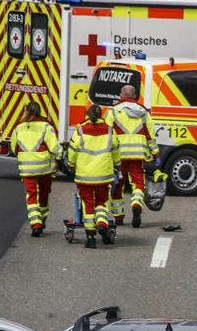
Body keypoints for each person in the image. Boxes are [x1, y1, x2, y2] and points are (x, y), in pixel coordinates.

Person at [66, 104, 121, 249]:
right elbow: (115, 149)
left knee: (88, 204)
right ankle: (102, 224)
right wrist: (118, 163)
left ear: (87, 114)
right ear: (101, 114)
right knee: (102, 202)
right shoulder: (109, 130)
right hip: (103, 174)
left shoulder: (80, 130)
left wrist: (70, 164)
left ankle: (90, 238)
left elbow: (73, 150)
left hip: (85, 175)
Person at [105, 84, 158, 228]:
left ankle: (119, 217)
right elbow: (151, 135)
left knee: (118, 185)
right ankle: (136, 205)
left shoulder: (113, 112)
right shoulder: (144, 112)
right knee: (138, 184)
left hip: (119, 155)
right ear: (135, 96)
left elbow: (107, 134)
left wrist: (106, 152)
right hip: (138, 154)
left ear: (121, 96)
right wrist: (155, 153)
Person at [9, 102, 61, 237]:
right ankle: (42, 218)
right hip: (44, 167)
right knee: (44, 193)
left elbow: (13, 148)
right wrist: (62, 158)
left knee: (31, 195)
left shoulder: (18, 128)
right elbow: (55, 148)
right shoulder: (46, 127)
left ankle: (35, 224)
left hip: (27, 168)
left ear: (25, 111)